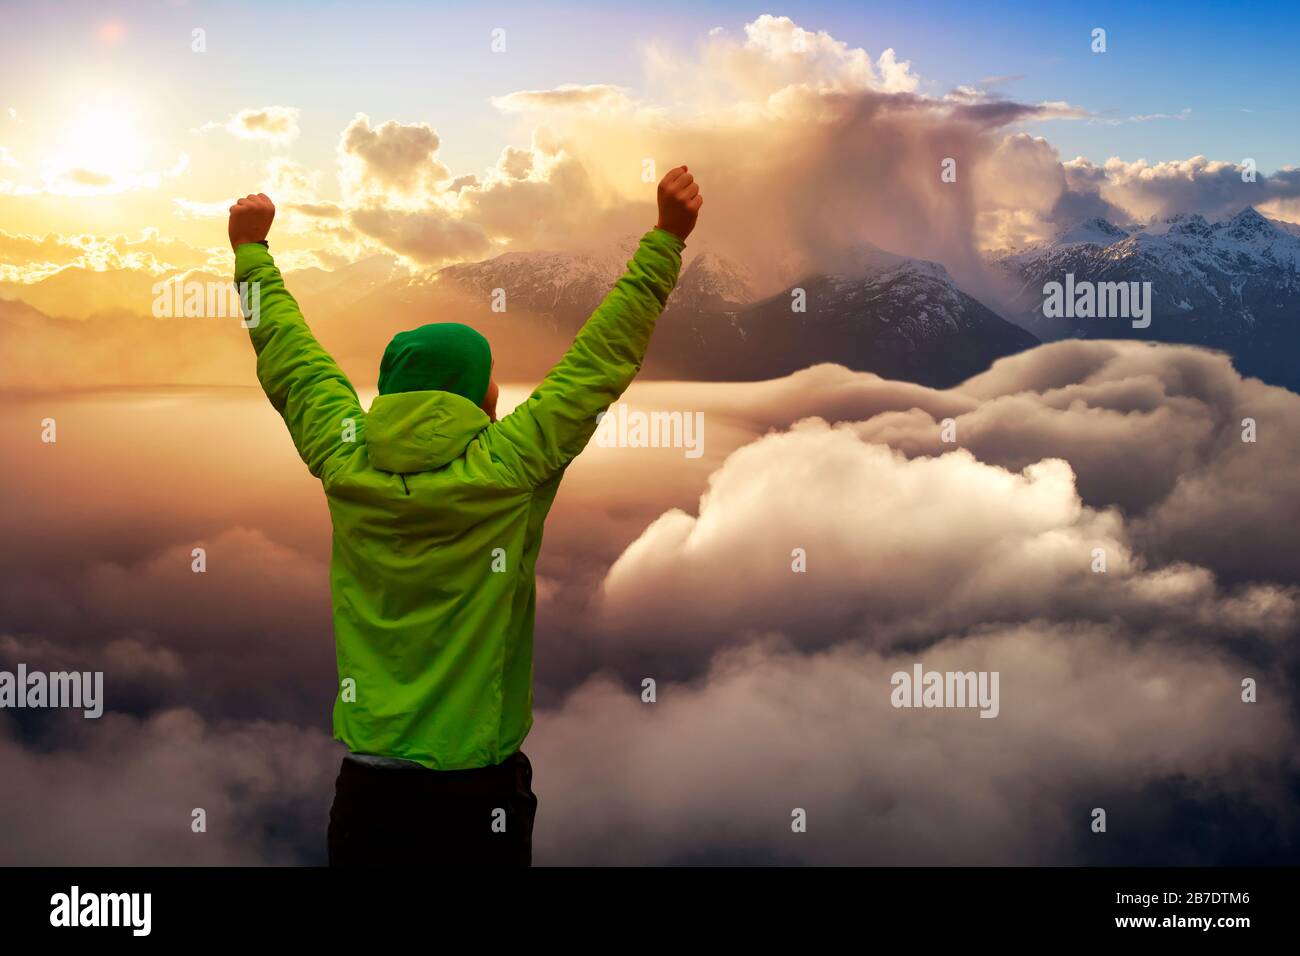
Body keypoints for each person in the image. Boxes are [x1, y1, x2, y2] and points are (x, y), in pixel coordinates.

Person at [227, 166, 703, 866]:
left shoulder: (343, 454)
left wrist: (249, 253)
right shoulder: (510, 466)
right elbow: (598, 361)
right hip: (478, 796)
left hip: (368, 794)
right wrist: (666, 239)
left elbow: (293, 361)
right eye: (491, 384)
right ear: (478, 400)